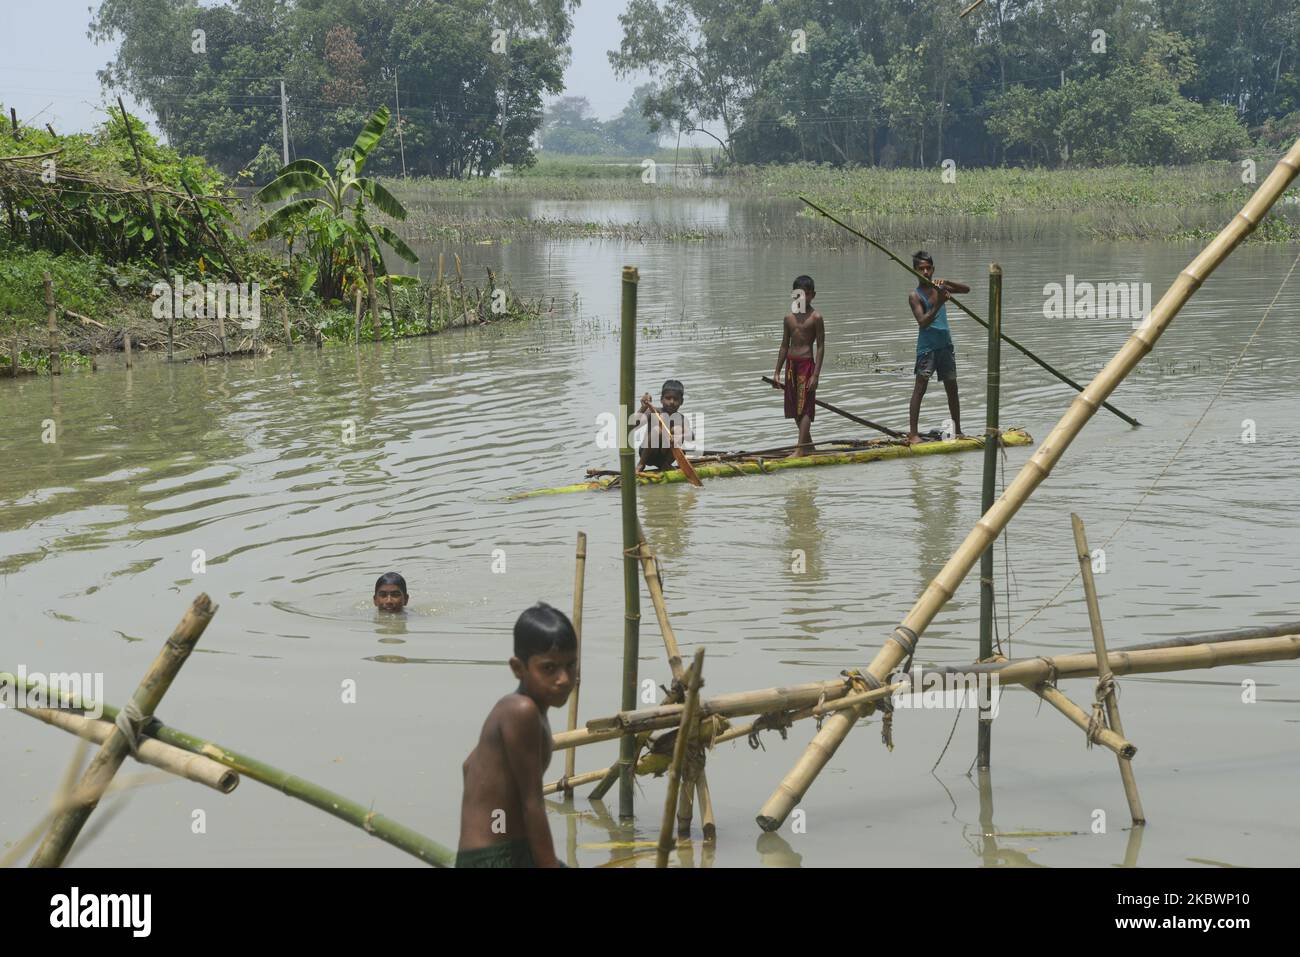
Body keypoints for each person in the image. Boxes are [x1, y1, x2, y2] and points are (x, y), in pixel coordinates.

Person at [456, 602, 577, 868]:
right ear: (517, 668)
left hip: (500, 852)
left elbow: (469, 766)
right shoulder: (522, 711)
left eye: (571, 665)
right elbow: (532, 802)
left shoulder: (520, 709)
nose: (564, 679)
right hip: (497, 858)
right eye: (549, 668)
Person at [907, 252, 970, 444]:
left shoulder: (939, 287)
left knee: (952, 388)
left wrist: (946, 283)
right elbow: (923, 322)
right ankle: (913, 434)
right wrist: (939, 302)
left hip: (945, 345)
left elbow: (967, 289)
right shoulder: (915, 296)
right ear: (915, 271)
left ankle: (958, 429)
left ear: (933, 269)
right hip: (927, 348)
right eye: (921, 269)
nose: (925, 272)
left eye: (928, 268)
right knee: (920, 389)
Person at [772, 275, 825, 457]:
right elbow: (784, 345)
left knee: (806, 407)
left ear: (813, 295)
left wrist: (816, 375)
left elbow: (821, 346)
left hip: (806, 366)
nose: (802, 298)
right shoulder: (788, 318)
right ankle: (808, 445)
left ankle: (801, 448)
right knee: (795, 406)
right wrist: (777, 371)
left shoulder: (816, 317)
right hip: (791, 366)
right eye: (798, 295)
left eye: (806, 294)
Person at [636, 379, 694, 472]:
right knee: (657, 431)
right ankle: (641, 464)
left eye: (675, 399)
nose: (671, 402)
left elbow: (691, 435)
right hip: (647, 455)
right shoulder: (653, 411)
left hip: (665, 457)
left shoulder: (681, 418)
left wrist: (679, 436)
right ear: (661, 399)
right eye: (668, 398)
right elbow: (633, 425)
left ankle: (665, 465)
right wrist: (643, 408)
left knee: (677, 430)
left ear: (681, 401)